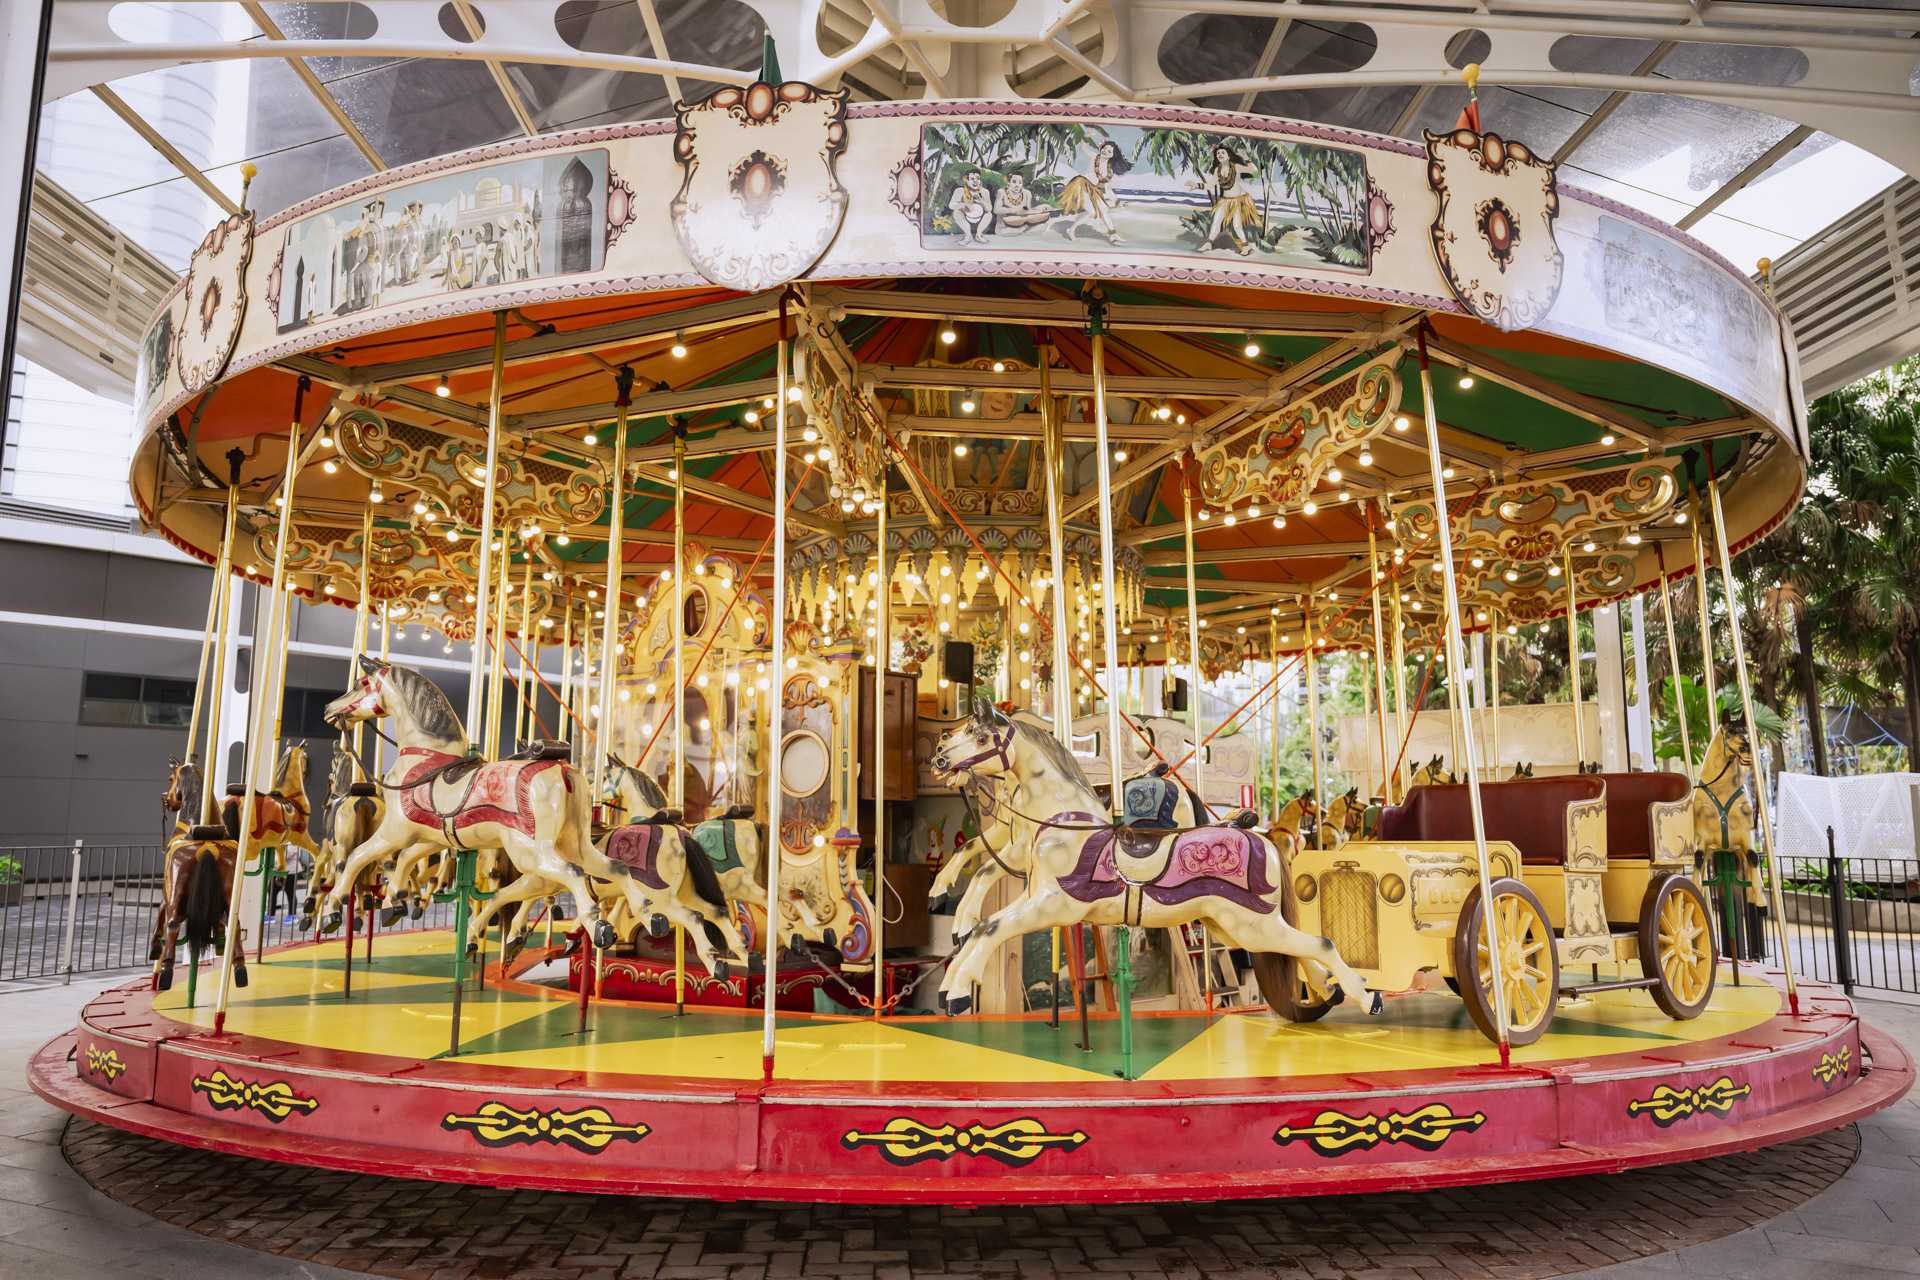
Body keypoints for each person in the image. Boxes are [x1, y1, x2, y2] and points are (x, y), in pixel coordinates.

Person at [1188, 142, 1262, 256]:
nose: (1220, 154)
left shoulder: (1236, 167)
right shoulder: (1218, 169)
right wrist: (1197, 185)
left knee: (1237, 225)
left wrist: (1245, 157)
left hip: (1238, 200)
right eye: (1218, 153)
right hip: (1225, 201)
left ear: (1228, 155)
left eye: (1223, 152)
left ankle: (1246, 246)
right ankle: (1209, 243)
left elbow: (1254, 170)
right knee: (1216, 221)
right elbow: (1209, 185)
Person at [1058, 139, 1130, 245]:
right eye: (1105, 148)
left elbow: (1108, 189)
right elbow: (1083, 148)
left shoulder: (1110, 171)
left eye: (1109, 151)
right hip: (1080, 184)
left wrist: (1118, 203)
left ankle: (1113, 234)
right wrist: (1085, 137)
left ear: (1112, 156)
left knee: (1104, 209)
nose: (1105, 151)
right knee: (1092, 212)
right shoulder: (1094, 157)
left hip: (1092, 189)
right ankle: (1071, 230)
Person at [948, 170, 993, 245]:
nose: (975, 181)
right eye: (972, 179)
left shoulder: (985, 192)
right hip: (964, 218)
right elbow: (951, 205)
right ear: (966, 180)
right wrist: (964, 205)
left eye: (978, 178)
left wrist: (981, 201)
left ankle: (978, 235)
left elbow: (989, 209)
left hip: (979, 220)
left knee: (989, 214)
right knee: (956, 213)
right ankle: (968, 236)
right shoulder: (959, 191)